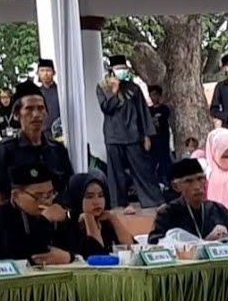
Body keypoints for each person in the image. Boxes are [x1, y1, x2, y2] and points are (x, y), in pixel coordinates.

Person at [0, 81, 75, 204]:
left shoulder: (57, 149)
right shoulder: (5, 150)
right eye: (29, 109)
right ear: (16, 114)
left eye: (40, 108)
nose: (36, 114)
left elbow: (68, 188)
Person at [97, 55, 163, 209]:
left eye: (124, 68)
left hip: (134, 135)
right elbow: (106, 108)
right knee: (116, 174)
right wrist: (114, 91)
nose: (122, 71)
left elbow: (143, 112)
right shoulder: (102, 87)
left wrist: (147, 135)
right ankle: (118, 204)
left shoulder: (134, 88)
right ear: (111, 70)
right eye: (119, 69)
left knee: (143, 169)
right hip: (113, 136)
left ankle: (152, 201)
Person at [0, 163, 80, 265]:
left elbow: (74, 247)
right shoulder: (1, 216)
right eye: (38, 196)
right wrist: (44, 220)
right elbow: (19, 253)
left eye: (50, 194)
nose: (46, 201)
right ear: (16, 195)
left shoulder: (56, 211)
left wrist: (68, 257)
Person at [149, 158, 228, 243]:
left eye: (200, 179)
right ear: (176, 186)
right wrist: (205, 243)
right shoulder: (168, 213)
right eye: (188, 181)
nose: (197, 186)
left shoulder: (218, 209)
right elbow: (156, 244)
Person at [63, 171, 135, 257]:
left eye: (101, 195)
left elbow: (133, 249)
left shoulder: (105, 221)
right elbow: (98, 255)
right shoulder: (69, 226)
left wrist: (113, 218)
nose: (97, 202)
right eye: (89, 197)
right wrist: (89, 219)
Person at [147, 84, 173, 187]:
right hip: (153, 140)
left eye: (155, 95)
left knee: (164, 159)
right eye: (151, 95)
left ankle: (166, 179)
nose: (153, 97)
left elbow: (162, 120)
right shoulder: (148, 110)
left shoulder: (164, 109)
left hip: (163, 139)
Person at [35, 59, 61, 138]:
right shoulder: (35, 93)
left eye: (48, 70)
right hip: (41, 134)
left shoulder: (60, 91)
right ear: (38, 73)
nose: (45, 73)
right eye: (42, 71)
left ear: (54, 72)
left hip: (59, 132)